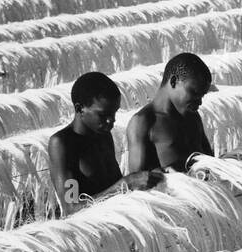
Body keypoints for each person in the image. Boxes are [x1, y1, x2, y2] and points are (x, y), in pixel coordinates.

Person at [48, 72, 160, 215]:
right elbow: (71, 207)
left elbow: (113, 184)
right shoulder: (62, 144)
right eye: (103, 115)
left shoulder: (102, 134)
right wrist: (126, 184)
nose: (111, 120)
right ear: (79, 109)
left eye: (114, 113)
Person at [126, 52, 214, 176]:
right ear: (173, 81)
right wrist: (161, 175)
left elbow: (210, 161)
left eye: (202, 96)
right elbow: (137, 182)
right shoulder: (143, 122)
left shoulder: (192, 116)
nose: (199, 101)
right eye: (194, 93)